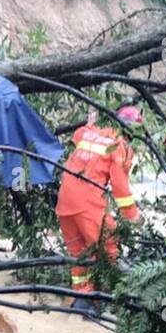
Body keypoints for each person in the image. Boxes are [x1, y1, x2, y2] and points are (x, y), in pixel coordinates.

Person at [56, 105, 144, 311]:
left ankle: (82, 299)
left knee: (80, 254)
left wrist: (91, 121)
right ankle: (125, 296)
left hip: (65, 202)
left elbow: (78, 134)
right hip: (87, 204)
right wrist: (133, 216)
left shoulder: (90, 133)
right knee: (109, 245)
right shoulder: (119, 146)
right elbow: (120, 188)